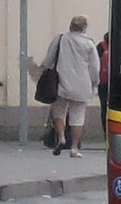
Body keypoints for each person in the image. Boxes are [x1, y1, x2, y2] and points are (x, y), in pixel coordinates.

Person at [42, 14, 102, 157]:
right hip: (82, 85)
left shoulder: (60, 39)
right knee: (78, 117)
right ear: (85, 28)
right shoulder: (89, 44)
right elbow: (94, 67)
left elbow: (48, 61)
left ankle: (61, 137)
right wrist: (95, 82)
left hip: (62, 84)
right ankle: (74, 148)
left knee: (58, 113)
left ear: (70, 26)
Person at [96, 33, 110, 141]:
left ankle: (106, 135)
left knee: (104, 108)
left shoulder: (100, 47)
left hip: (103, 82)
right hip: (117, 82)